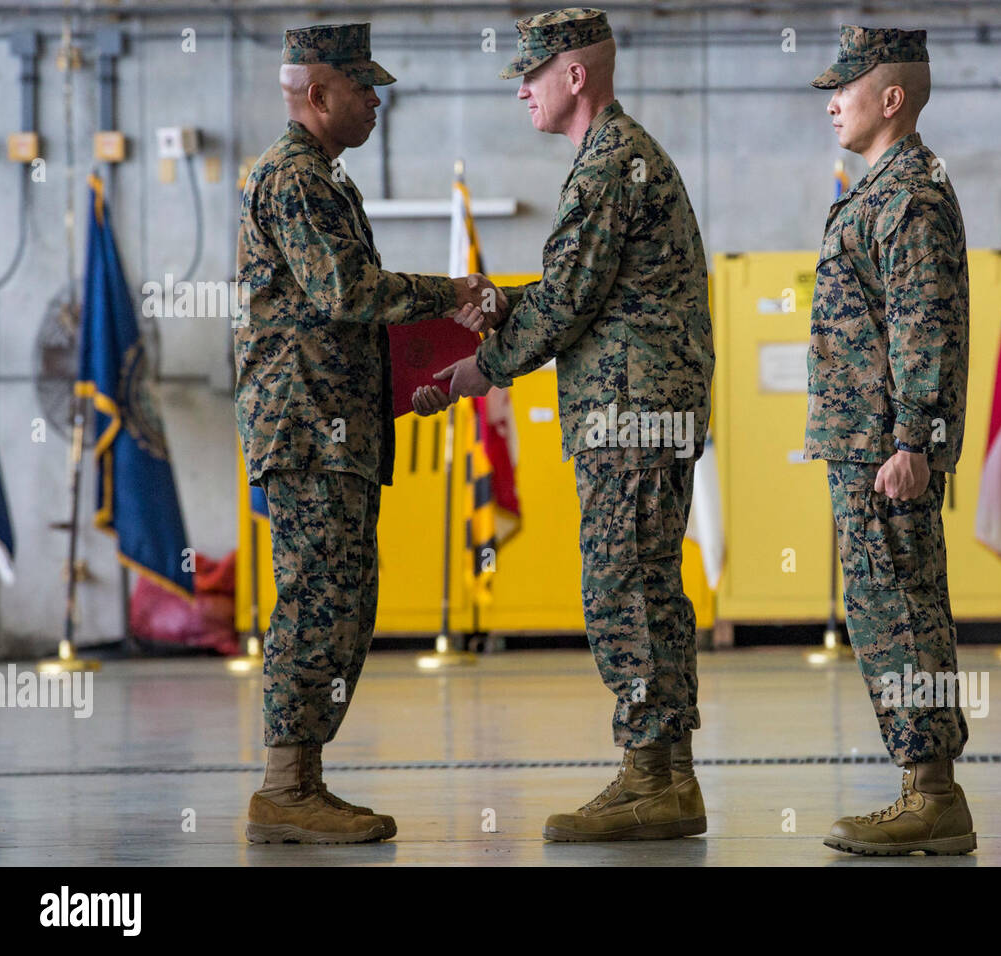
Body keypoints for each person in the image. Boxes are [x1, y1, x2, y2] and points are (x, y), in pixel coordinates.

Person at [412, 7, 715, 843]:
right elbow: (586, 290)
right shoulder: (621, 159)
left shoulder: (610, 165)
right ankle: (670, 776)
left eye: (532, 73)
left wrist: (482, 370)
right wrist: (504, 305)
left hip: (631, 413)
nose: (521, 91)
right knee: (651, 584)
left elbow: (572, 303)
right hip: (644, 407)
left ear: (574, 75)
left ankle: (651, 775)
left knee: (622, 584)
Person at [235, 22, 503, 844]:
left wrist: (415, 379)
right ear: (318, 93)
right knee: (319, 600)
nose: (377, 99)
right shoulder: (295, 180)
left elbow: (343, 320)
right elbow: (345, 293)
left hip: (337, 424)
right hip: (309, 429)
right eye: (363, 86)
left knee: (344, 602)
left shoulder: (325, 180)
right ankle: (284, 789)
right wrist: (449, 290)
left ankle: (304, 782)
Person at [806, 25, 976, 856]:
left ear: (893, 98)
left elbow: (924, 329)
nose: (831, 99)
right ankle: (924, 789)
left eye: (846, 85)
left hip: (887, 454)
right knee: (881, 612)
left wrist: (913, 440)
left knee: (902, 611)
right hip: (863, 450)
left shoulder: (909, 194)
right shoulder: (879, 190)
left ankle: (933, 793)